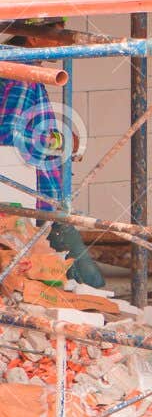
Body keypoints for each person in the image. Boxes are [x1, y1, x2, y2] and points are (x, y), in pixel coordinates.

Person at [0, 45, 103, 287]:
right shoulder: (24, 78)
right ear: (35, 38)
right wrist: (60, 141)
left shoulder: (12, 73)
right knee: (88, 280)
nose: (60, 49)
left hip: (27, 198)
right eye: (56, 38)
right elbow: (9, 137)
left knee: (45, 279)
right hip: (39, 200)